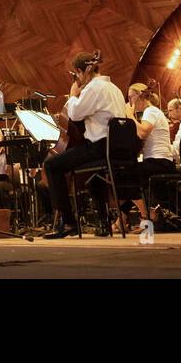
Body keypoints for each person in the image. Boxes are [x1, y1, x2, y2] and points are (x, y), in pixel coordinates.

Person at [43, 53, 128, 238]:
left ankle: (68, 222)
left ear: (81, 72)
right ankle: (103, 223)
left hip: (99, 147)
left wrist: (73, 94)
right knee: (93, 172)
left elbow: (74, 114)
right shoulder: (114, 88)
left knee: (51, 165)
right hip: (117, 148)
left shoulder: (94, 88)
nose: (77, 78)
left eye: (77, 74)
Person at [127, 82, 175, 220]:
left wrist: (129, 115)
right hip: (159, 161)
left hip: (160, 162)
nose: (129, 101)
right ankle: (122, 221)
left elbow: (142, 133)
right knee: (127, 175)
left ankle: (146, 214)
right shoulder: (150, 113)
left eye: (130, 97)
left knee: (124, 175)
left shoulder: (151, 111)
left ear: (140, 96)